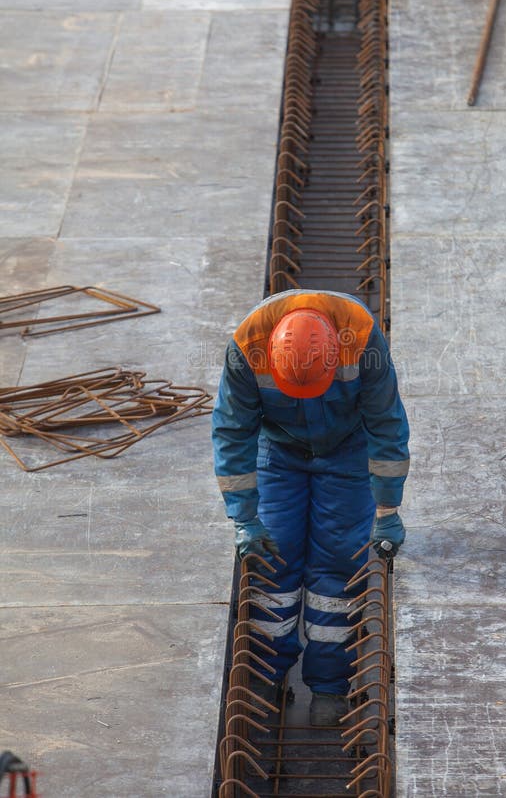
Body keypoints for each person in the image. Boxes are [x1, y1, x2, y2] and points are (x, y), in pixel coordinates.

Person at [212, 289, 409, 726]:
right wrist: (244, 517)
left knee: (341, 560)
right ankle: (266, 672)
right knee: (272, 554)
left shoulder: (361, 337)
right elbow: (232, 431)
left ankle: (330, 684)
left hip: (346, 449)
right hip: (279, 449)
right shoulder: (247, 347)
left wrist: (388, 511)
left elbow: (386, 425)